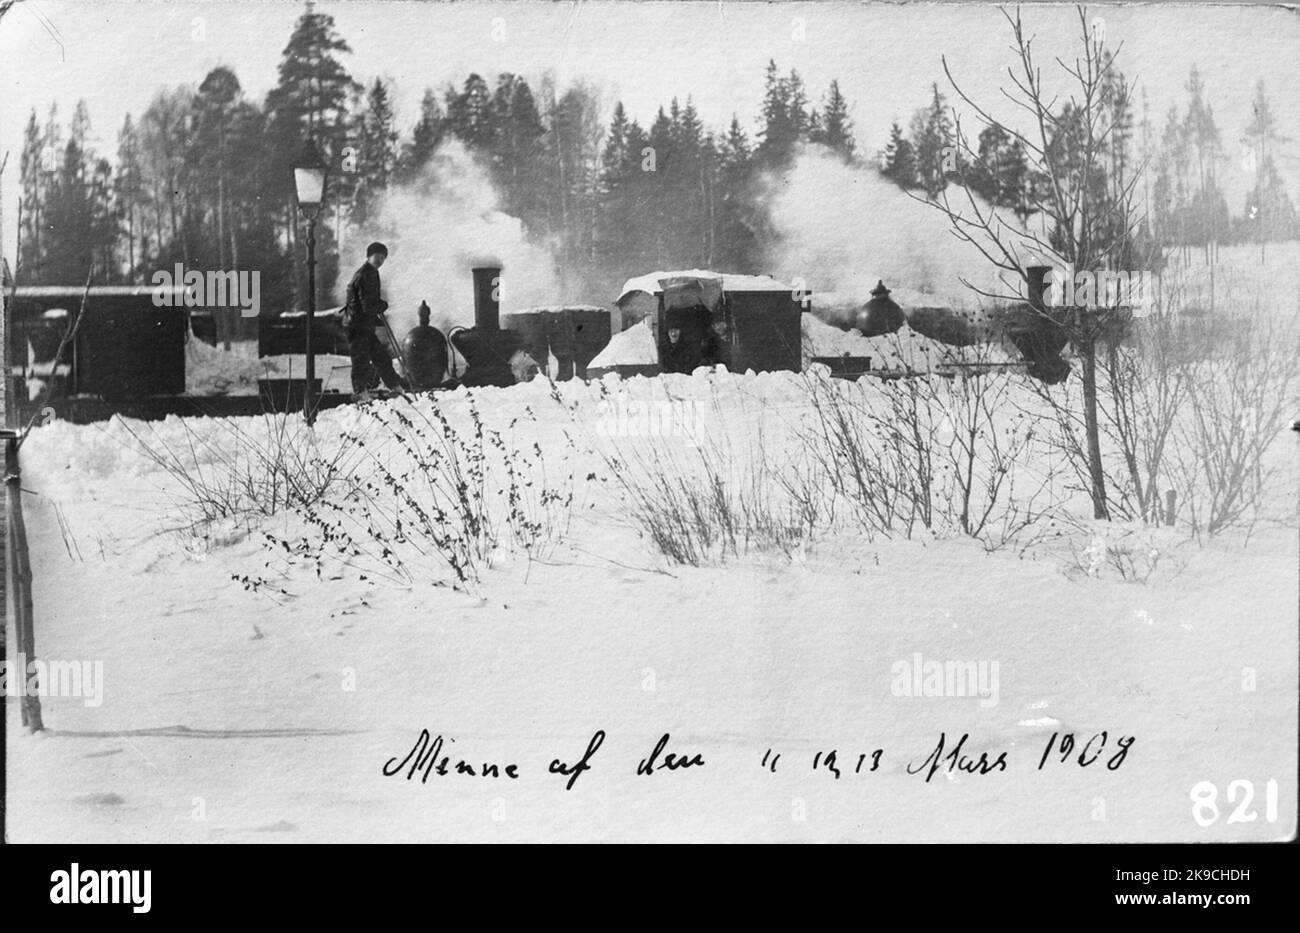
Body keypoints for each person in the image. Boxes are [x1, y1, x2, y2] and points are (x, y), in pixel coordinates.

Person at [343, 242, 409, 400]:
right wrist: (381, 305)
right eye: (377, 256)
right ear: (369, 256)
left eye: (383, 258)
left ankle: (395, 387)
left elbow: (368, 304)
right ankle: (360, 393)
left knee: (381, 357)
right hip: (357, 326)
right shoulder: (365, 274)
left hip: (364, 325)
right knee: (361, 360)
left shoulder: (371, 272)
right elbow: (367, 304)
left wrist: (377, 311)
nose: (380, 260)